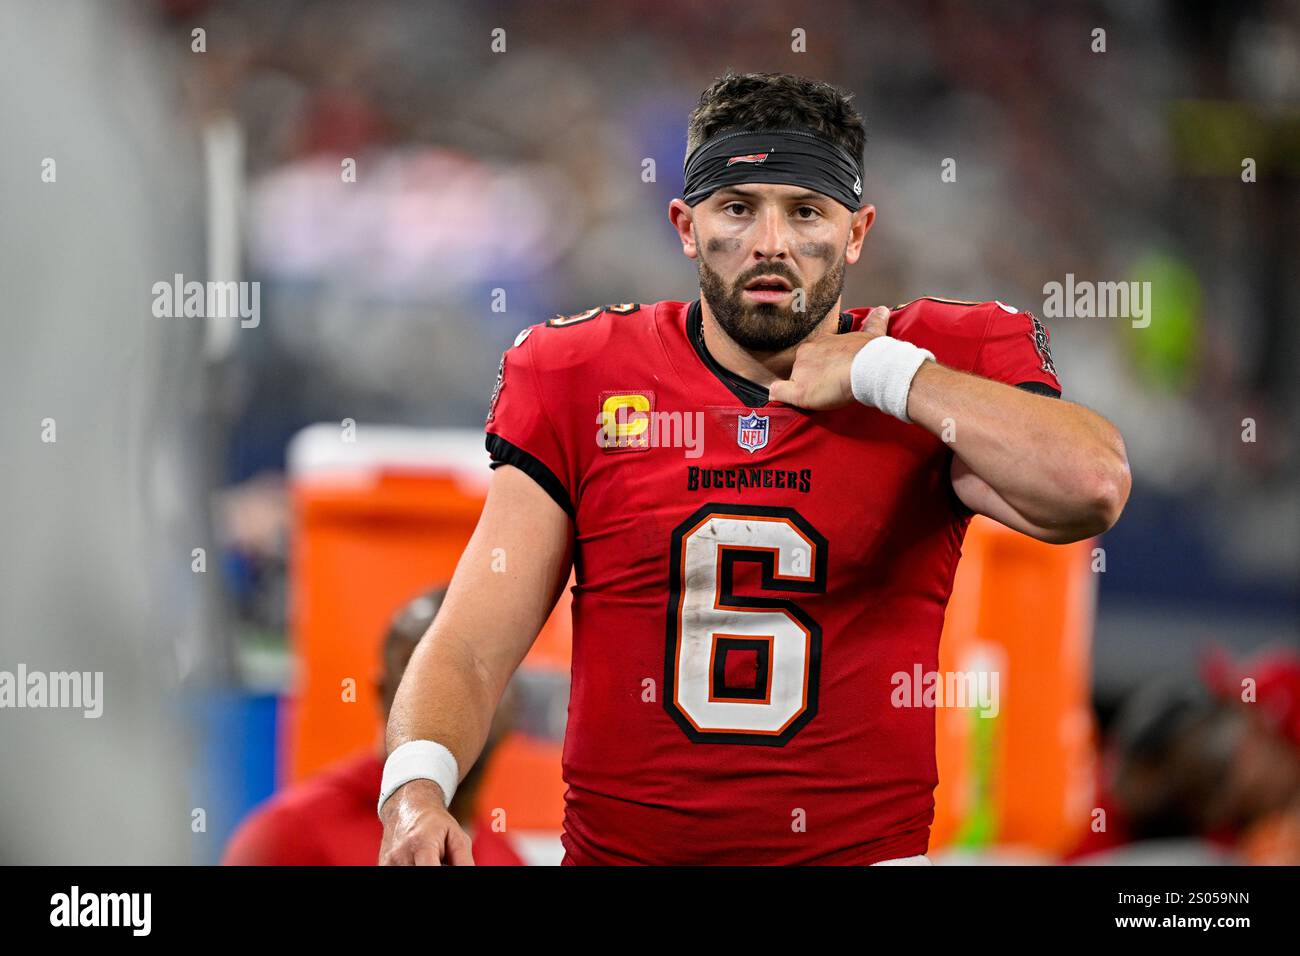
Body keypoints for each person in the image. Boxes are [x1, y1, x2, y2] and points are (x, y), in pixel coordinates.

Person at [379, 71, 1131, 866]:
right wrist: (417, 792)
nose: (771, 241)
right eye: (738, 208)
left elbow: (1091, 485)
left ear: (857, 232)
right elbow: (469, 645)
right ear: (685, 225)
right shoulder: (581, 374)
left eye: (805, 211)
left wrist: (890, 375)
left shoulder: (931, 366)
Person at [224, 588, 522, 865]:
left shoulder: (506, 856)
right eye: (429, 685)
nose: (458, 702)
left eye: (480, 679)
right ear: (385, 695)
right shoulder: (291, 834)